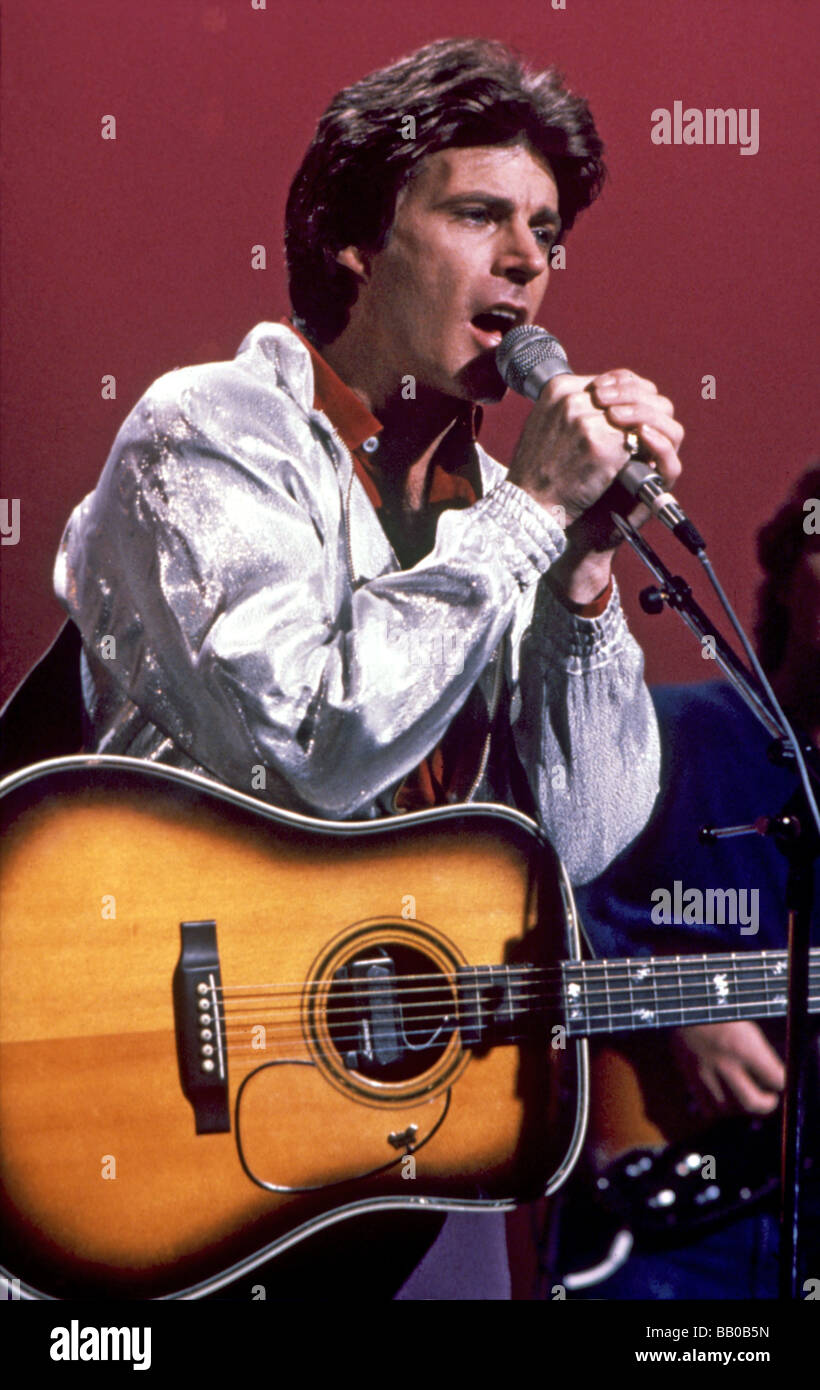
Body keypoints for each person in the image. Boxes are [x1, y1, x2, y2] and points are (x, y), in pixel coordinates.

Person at [53, 38, 685, 1299]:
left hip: (406, 1108)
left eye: (547, 232)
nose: (527, 262)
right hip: (167, 1108)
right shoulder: (207, 430)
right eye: (477, 215)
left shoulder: (510, 513)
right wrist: (522, 528)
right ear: (353, 235)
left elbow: (582, 834)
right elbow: (310, 743)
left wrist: (578, 579)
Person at [552, 467, 820, 1300]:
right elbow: (539, 901)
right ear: (786, 572)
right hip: (661, 1226)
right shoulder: (674, 732)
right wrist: (678, 1002)